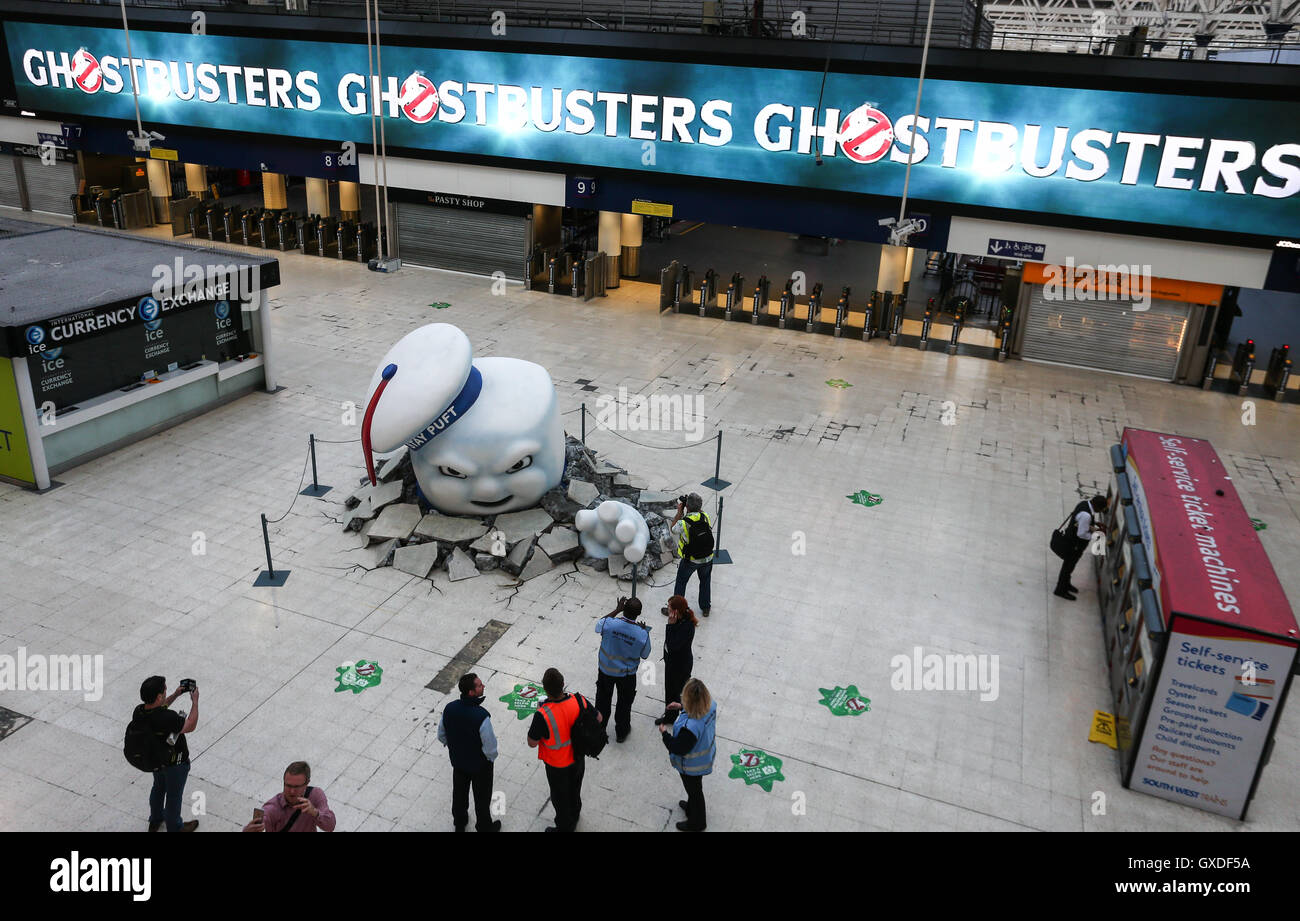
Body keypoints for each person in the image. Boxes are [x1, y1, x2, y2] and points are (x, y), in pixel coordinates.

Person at [527, 667, 600, 832]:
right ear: (563, 684)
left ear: (545, 689)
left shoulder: (543, 714)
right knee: (575, 789)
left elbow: (532, 742)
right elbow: (599, 718)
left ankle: (564, 827)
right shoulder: (578, 700)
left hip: (557, 765)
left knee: (560, 798)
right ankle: (575, 813)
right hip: (578, 758)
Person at [435, 672, 501, 832]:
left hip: (458, 763)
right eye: (479, 685)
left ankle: (459, 821)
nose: (483, 686)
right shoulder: (481, 716)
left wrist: (455, 748)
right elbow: (490, 746)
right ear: (471, 692)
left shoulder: (450, 708)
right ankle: (484, 826)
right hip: (480, 767)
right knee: (482, 798)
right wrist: (489, 759)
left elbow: (441, 735)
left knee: (459, 794)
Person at [136, 676, 198, 833]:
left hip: (156, 760)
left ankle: (155, 820)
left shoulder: (139, 711)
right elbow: (190, 725)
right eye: (164, 689)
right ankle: (175, 827)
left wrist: (176, 694)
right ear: (158, 696)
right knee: (173, 797)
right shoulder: (168, 718)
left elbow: (159, 707)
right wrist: (195, 702)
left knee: (158, 788)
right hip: (174, 763)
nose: (166, 691)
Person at [659, 677, 717, 832]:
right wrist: (681, 706)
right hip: (704, 757)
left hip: (692, 766)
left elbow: (678, 747)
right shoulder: (710, 706)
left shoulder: (690, 728)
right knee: (694, 789)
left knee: (695, 791)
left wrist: (665, 734)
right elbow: (696, 708)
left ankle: (697, 822)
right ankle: (691, 808)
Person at [594, 596, 652, 742]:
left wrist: (616, 610)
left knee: (602, 702)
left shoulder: (610, 624)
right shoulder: (642, 634)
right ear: (638, 614)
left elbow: (598, 625)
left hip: (606, 671)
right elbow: (645, 654)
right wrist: (645, 632)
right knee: (624, 704)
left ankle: (599, 730)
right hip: (627, 675)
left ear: (623, 609)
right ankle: (621, 733)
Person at [242, 762, 336, 832]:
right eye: (288, 785)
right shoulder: (273, 807)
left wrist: (315, 812)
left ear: (307, 784)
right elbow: (265, 817)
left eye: (296, 787)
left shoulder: (315, 795)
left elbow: (330, 826)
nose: (292, 791)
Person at [1054, 495, 1109, 600]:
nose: (1100, 511)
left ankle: (1066, 584)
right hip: (1074, 545)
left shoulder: (1084, 504)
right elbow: (1081, 534)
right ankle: (1060, 590)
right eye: (1100, 509)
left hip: (1072, 541)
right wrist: (1096, 534)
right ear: (1096, 506)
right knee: (1068, 567)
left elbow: (1081, 522)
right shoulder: (1086, 515)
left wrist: (1095, 523)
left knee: (1070, 566)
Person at [655, 595, 697, 725]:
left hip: (680, 666)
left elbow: (672, 646)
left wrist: (670, 626)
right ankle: (670, 715)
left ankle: (684, 714)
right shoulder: (680, 621)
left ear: (676, 611)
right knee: (671, 691)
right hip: (672, 663)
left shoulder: (687, 626)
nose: (667, 609)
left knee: (678, 692)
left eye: (669, 607)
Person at [671, 494, 714, 617]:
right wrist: (691, 507)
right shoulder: (705, 516)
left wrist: (680, 511)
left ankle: (676, 610)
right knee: (705, 581)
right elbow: (697, 512)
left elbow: (673, 528)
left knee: (681, 582)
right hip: (707, 557)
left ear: (687, 507)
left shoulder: (683, 523)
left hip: (691, 560)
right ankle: (705, 608)